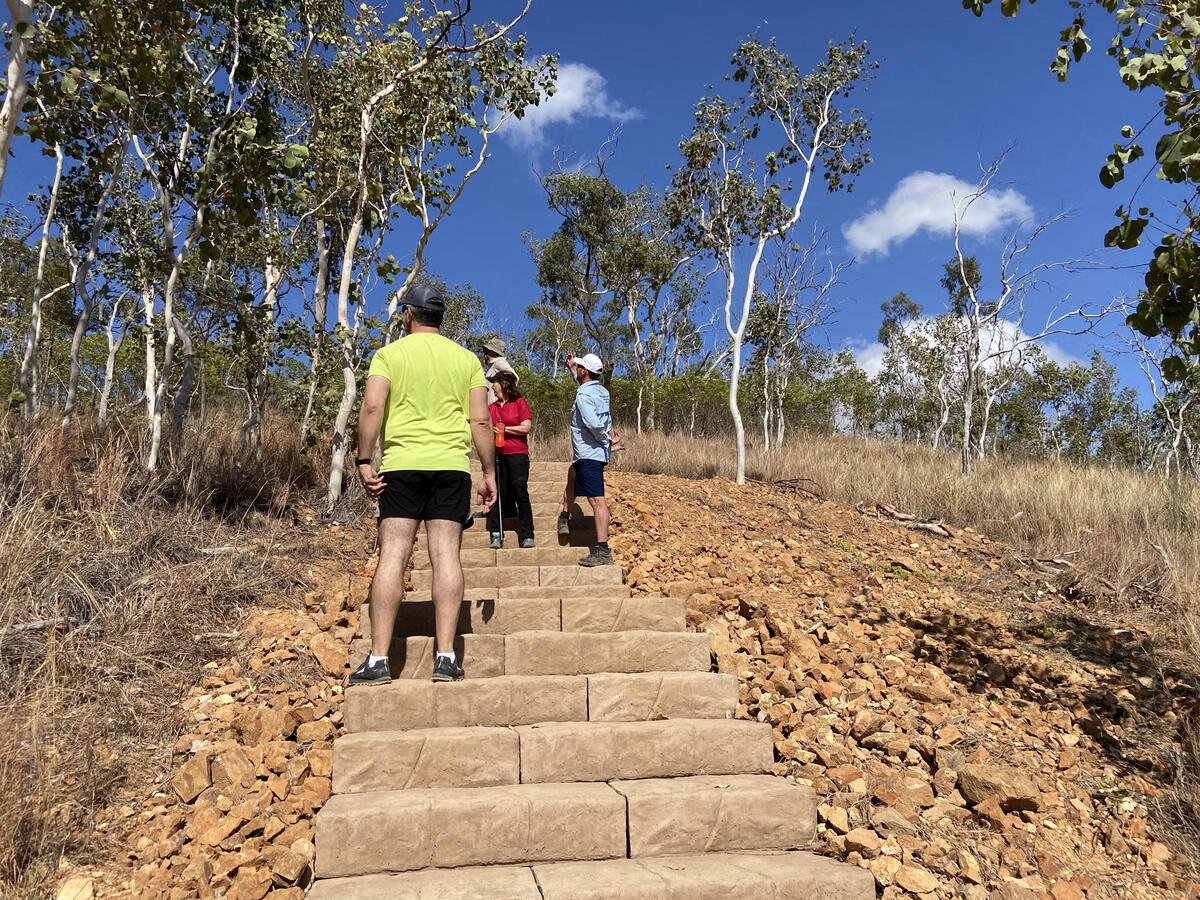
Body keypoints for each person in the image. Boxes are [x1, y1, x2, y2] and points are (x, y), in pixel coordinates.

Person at [349, 284, 497, 685]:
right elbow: (481, 420)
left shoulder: (389, 355)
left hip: (401, 466)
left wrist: (364, 459)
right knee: (446, 555)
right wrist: (488, 473)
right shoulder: (467, 360)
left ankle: (379, 660)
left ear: (408, 315)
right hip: (450, 467)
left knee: (393, 555)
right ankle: (446, 656)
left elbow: (373, 406)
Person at [558, 353, 616, 567]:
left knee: (596, 501)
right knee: (571, 475)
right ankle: (564, 515)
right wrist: (573, 369)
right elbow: (585, 387)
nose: (578, 368)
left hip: (589, 454)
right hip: (592, 454)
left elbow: (592, 422)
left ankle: (602, 549)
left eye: (580, 366)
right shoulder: (600, 391)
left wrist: (606, 438)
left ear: (585, 371)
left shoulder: (583, 396)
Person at [486, 371, 535, 550]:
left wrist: (505, 429)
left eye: (495, 382)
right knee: (497, 493)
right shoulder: (491, 407)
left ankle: (527, 534)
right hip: (497, 455)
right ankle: (496, 534)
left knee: (519, 491)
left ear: (504, 384)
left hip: (518, 454)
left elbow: (526, 427)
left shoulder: (519, 403)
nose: (492, 386)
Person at [481, 337, 517, 404]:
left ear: (492, 351)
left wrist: (504, 401)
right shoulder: (493, 366)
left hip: (498, 410)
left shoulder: (499, 362)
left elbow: (513, 377)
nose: (485, 354)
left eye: (486, 351)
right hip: (492, 410)